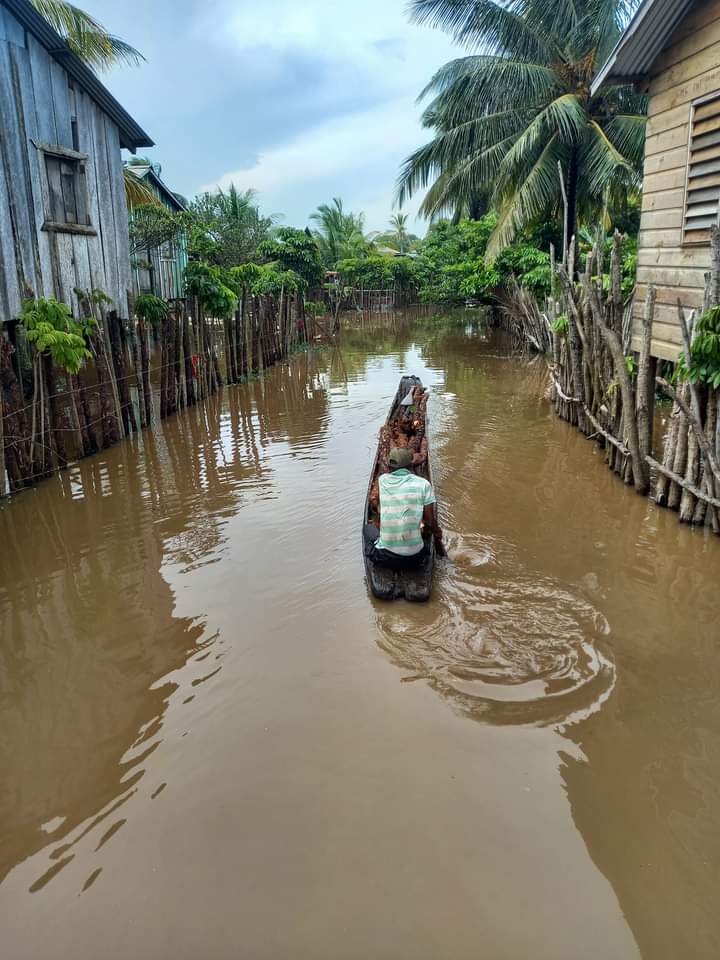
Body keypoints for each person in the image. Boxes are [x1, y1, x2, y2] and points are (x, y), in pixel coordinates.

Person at [364, 447, 443, 569]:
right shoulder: (424, 484)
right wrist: (437, 533)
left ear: (389, 466)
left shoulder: (382, 480)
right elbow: (430, 522)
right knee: (423, 536)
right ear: (411, 465)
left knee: (368, 529)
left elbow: (379, 506)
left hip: (385, 557)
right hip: (416, 558)